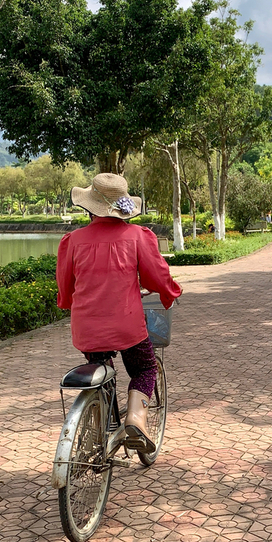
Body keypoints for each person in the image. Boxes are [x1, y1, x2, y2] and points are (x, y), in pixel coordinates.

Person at [56, 172, 182, 453]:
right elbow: (156, 277)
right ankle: (135, 420)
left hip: (86, 328)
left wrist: (67, 303)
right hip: (127, 326)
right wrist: (169, 293)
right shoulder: (138, 236)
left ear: (89, 207)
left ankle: (101, 425)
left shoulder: (72, 241)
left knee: (103, 371)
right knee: (145, 367)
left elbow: (65, 288)